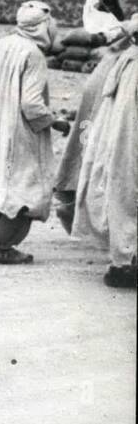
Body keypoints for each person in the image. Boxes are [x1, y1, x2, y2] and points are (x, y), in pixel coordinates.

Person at [0, 1, 71, 264]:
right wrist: (56, 122)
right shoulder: (33, 54)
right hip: (22, 132)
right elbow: (31, 105)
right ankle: (4, 247)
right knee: (25, 191)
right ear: (42, 27)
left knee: (4, 181)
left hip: (0, 124)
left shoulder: (1, 45)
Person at [54, 15, 137, 233]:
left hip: (94, 117)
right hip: (106, 118)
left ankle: (74, 206)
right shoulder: (126, 61)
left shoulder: (113, 56)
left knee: (86, 157)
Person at [72, 42, 137, 287]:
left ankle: (123, 261)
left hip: (118, 143)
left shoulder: (125, 61)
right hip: (129, 144)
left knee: (122, 198)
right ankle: (125, 263)